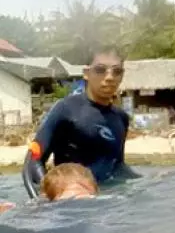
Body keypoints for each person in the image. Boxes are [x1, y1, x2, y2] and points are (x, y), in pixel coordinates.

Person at [22, 46, 140, 198]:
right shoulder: (65, 108)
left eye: (117, 71)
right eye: (100, 70)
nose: (110, 77)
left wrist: (149, 183)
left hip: (108, 203)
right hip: (71, 205)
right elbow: (32, 164)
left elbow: (118, 166)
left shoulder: (121, 118)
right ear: (86, 73)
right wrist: (44, 203)